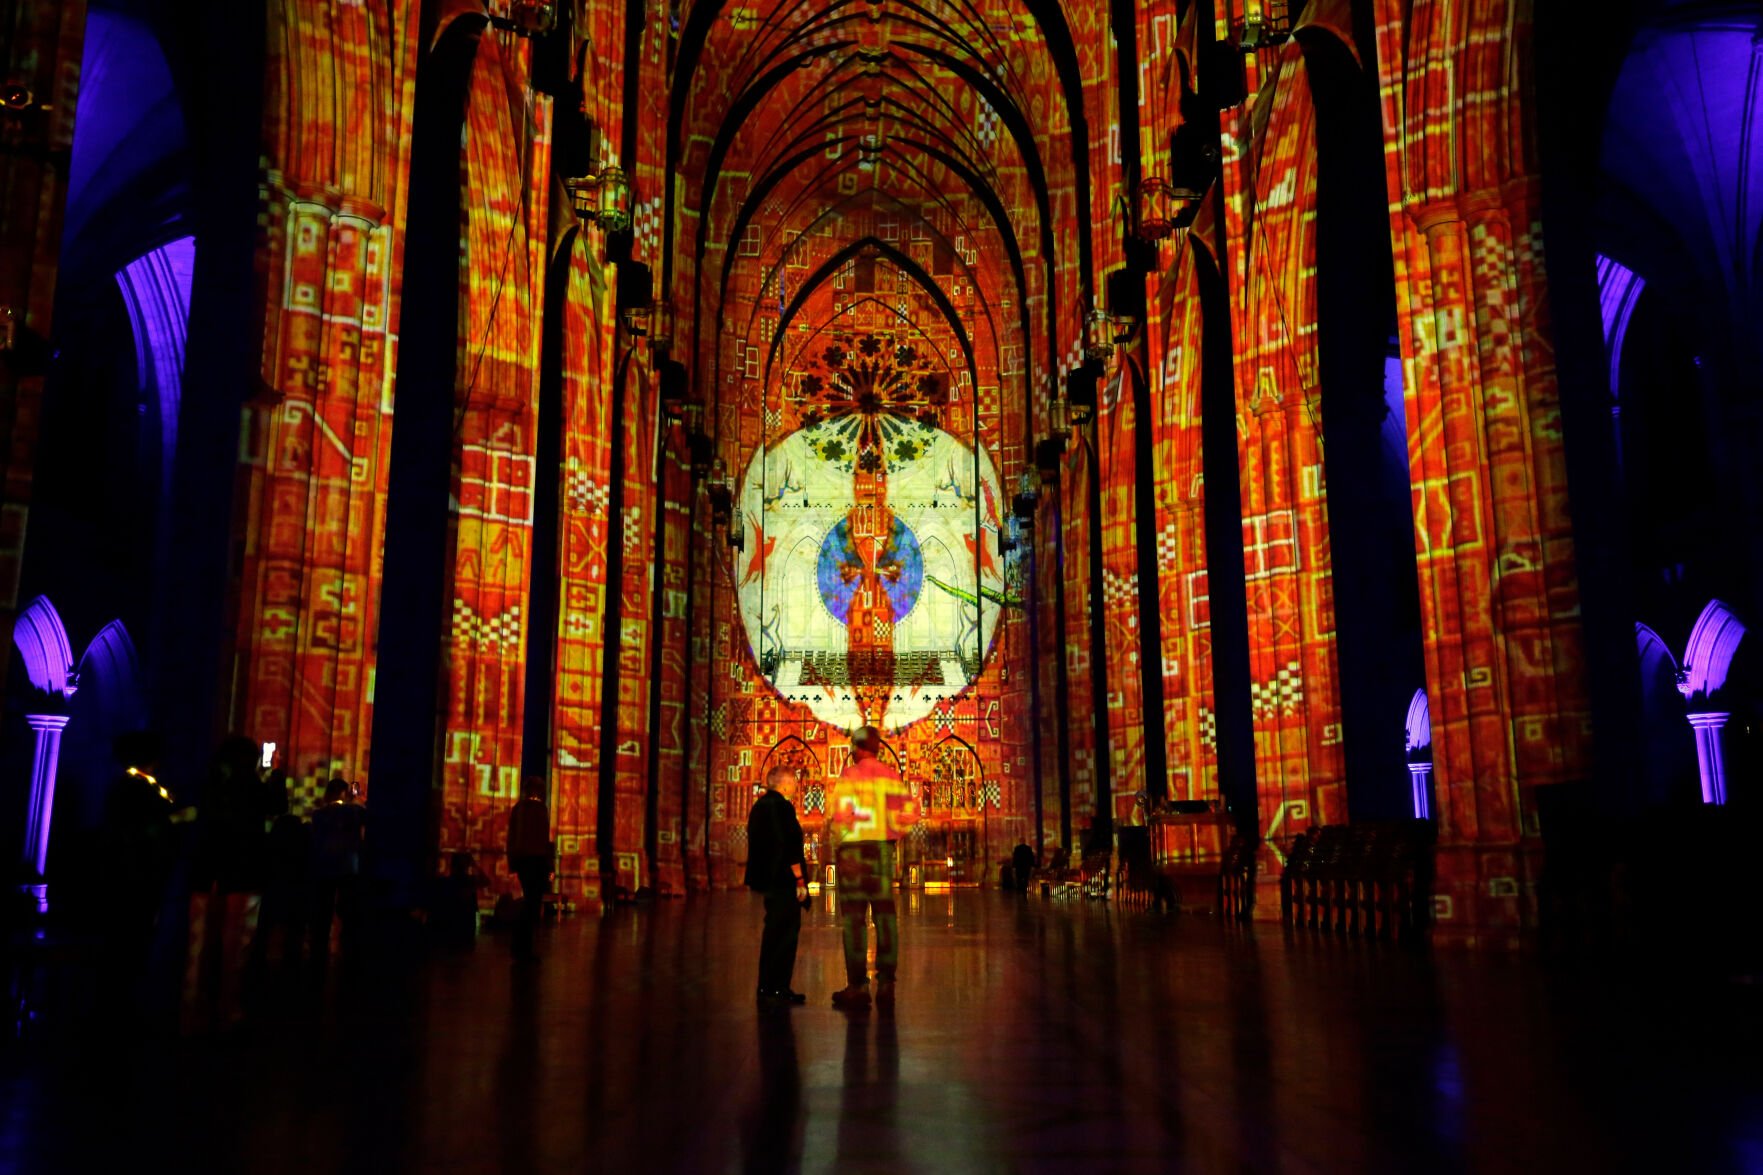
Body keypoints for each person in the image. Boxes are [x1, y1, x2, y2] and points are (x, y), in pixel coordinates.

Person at [823, 726, 918, 1011]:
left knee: (854, 920)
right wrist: (892, 832)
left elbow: (839, 814)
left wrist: (839, 840)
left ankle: (858, 986)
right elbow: (912, 812)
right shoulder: (891, 776)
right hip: (881, 851)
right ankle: (887, 983)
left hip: (854, 852)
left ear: (857, 748)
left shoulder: (850, 775)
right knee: (885, 917)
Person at [745, 764, 809, 1009]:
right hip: (783, 881)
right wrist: (799, 880)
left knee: (772, 932)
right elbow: (789, 845)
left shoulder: (759, 807)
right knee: (786, 933)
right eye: (793, 782)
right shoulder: (783, 807)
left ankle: (766, 984)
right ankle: (779, 986)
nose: (795, 786)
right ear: (783, 784)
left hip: (767, 879)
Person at [310, 777, 366, 962]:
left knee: (323, 908)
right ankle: (347, 945)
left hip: (324, 864)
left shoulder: (319, 814)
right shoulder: (353, 811)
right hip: (348, 865)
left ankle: (319, 945)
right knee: (348, 907)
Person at [505, 777, 553, 961]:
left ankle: (518, 946)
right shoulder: (541, 810)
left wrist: (512, 863)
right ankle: (524, 948)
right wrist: (549, 866)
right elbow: (543, 840)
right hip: (536, 862)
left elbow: (512, 838)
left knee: (526, 904)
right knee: (532, 906)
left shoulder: (518, 809)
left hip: (522, 861)